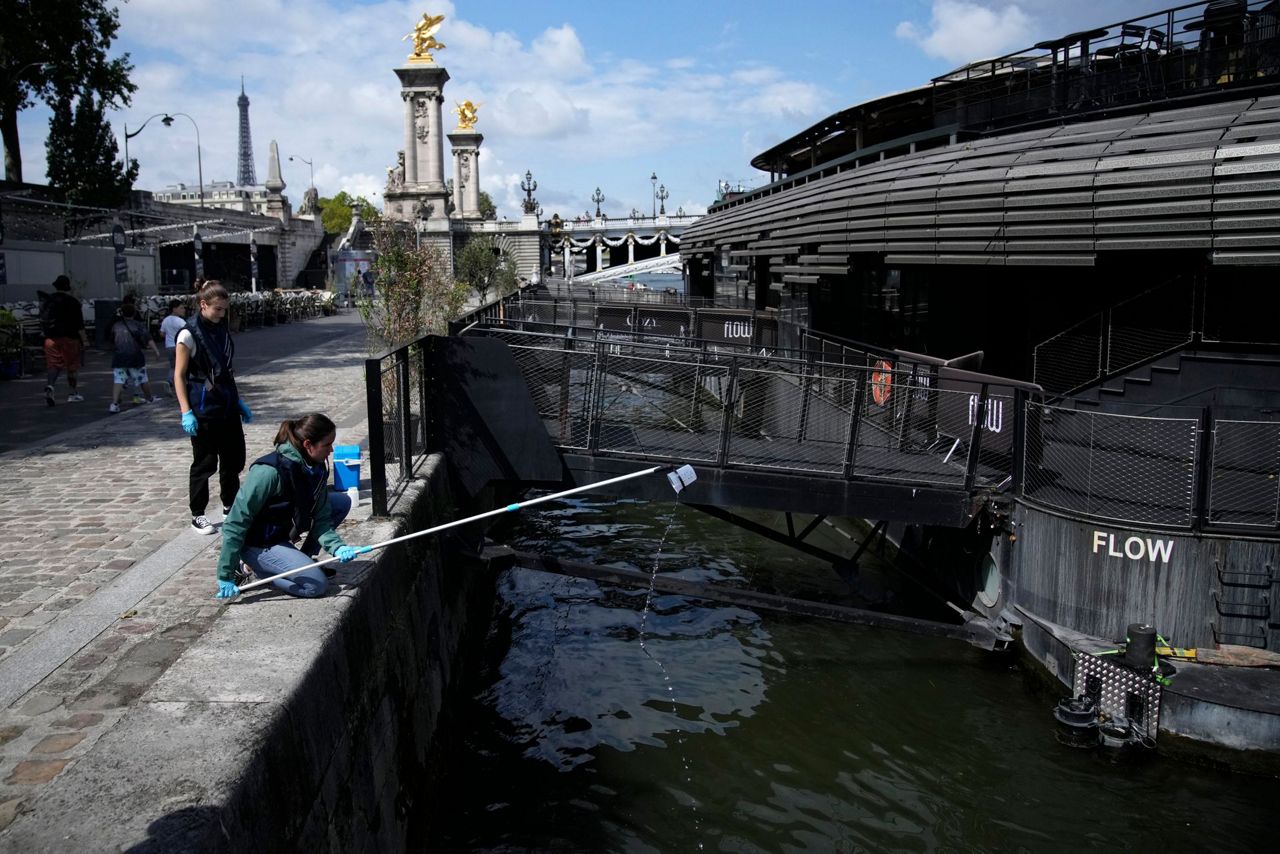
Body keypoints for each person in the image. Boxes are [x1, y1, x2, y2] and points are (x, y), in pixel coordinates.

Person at [214, 413, 365, 599]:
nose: (331, 449)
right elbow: (235, 523)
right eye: (327, 445)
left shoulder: (315, 466)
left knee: (341, 502)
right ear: (308, 445)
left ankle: (303, 560)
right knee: (315, 586)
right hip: (259, 543)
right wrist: (225, 575)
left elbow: (322, 517)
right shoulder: (268, 473)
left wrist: (337, 547)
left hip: (284, 529)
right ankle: (258, 570)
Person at [175, 280, 252, 535]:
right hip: (204, 407)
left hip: (226, 403)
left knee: (233, 459)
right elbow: (179, 375)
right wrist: (186, 411)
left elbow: (226, 370)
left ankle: (230, 506)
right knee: (205, 463)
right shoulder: (188, 334)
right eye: (217, 309)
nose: (221, 314)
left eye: (224, 310)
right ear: (203, 304)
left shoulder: (221, 330)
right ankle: (198, 514)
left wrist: (238, 401)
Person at [40, 275, 89, 406]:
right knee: (72, 366)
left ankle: (50, 386)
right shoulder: (73, 302)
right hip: (70, 338)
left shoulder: (48, 301)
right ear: (68, 287)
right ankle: (73, 393)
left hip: (50, 339)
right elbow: (80, 324)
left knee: (53, 365)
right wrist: (85, 341)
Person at [107, 304, 161, 413]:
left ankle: (115, 403)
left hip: (119, 356)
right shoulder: (138, 325)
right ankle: (149, 398)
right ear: (134, 313)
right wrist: (156, 350)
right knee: (142, 378)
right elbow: (148, 338)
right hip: (135, 356)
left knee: (119, 380)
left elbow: (111, 339)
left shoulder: (116, 325)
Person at [159, 298, 188, 393]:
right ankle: (183, 385)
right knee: (183, 366)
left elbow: (162, 333)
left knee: (173, 367)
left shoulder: (165, 320)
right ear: (174, 309)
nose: (183, 310)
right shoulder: (180, 321)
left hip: (169, 346)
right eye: (181, 308)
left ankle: (169, 381)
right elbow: (188, 332)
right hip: (180, 346)